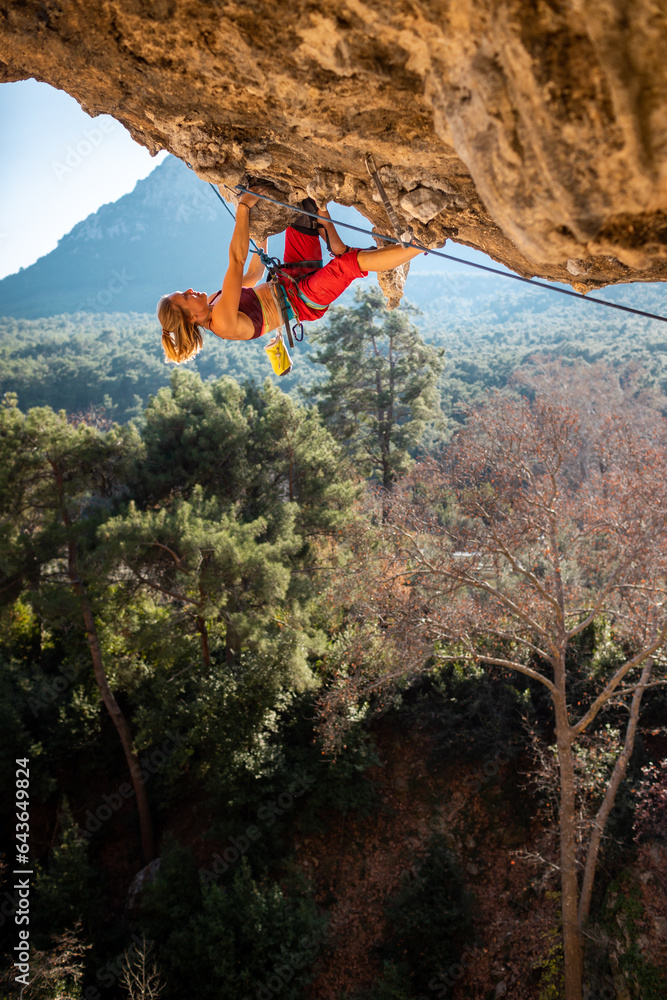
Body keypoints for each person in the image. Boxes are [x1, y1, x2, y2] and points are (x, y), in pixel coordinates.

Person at [157, 187, 426, 364]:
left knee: (303, 208)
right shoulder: (223, 323)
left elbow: (253, 273)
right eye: (185, 296)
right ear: (190, 316)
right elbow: (236, 261)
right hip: (305, 299)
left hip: (290, 275)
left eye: (184, 290)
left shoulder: (216, 300)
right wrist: (244, 208)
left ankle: (336, 244)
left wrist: (259, 238)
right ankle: (420, 243)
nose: (190, 290)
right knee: (348, 264)